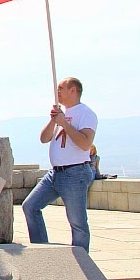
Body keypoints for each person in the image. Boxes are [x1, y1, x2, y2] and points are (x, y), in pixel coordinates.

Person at [22, 77, 98, 252]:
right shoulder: (61, 113)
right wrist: (53, 120)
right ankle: (41, 249)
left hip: (75, 172)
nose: (57, 92)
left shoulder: (86, 113)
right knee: (30, 206)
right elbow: (44, 138)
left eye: (61, 88)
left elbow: (85, 143)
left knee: (77, 222)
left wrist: (65, 124)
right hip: (55, 173)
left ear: (73, 90)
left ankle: (81, 260)